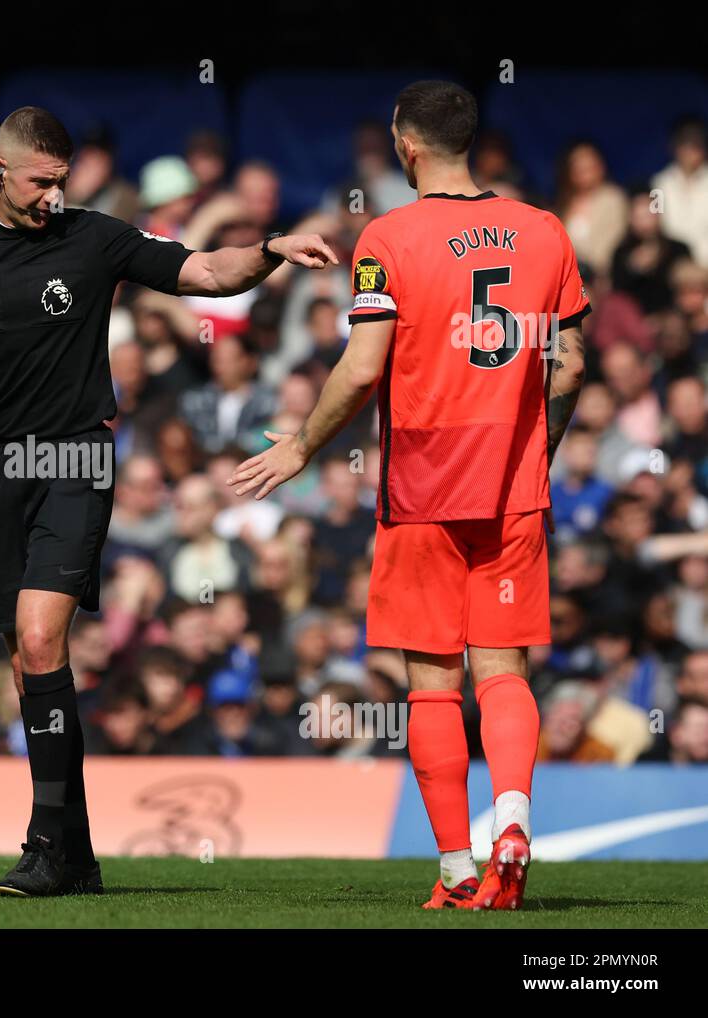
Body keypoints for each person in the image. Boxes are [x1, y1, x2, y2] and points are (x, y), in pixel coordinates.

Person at [0, 105, 335, 897]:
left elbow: (206, 272)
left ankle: (44, 844)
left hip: (76, 458)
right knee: (25, 663)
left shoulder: (96, 238)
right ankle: (76, 849)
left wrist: (270, 252)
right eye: (41, 181)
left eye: (62, 180)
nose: (54, 194)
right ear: (0, 173)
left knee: (43, 637)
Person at [228, 81, 589, 911]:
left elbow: (362, 368)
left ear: (406, 145)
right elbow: (568, 362)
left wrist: (301, 447)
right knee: (505, 672)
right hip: (512, 488)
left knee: (432, 683)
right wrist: (538, 449)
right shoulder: (544, 232)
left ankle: (458, 872)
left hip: (423, 486)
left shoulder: (388, 236)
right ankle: (515, 820)